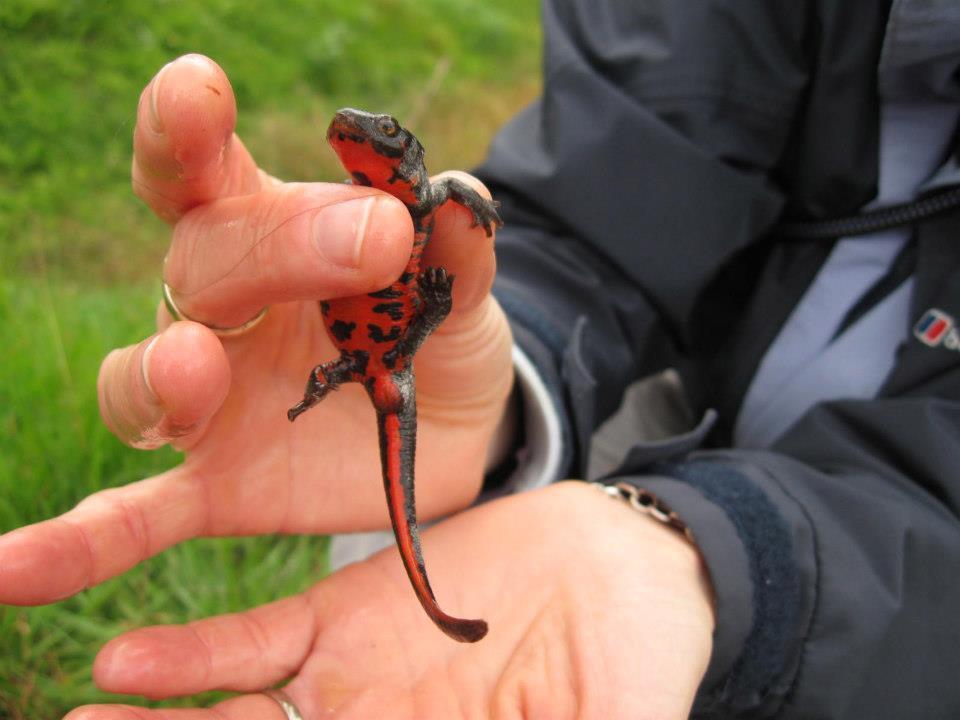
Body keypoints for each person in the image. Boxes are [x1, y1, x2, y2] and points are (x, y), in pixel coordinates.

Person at [3, 2, 960, 718]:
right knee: (391, 505)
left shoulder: (427, 194)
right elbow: (596, 214)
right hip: (413, 367)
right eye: (355, 144)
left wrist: (727, 557)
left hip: (879, 562)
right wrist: (506, 382)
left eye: (376, 141)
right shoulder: (406, 206)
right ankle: (433, 565)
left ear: (402, 159)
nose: (359, 144)